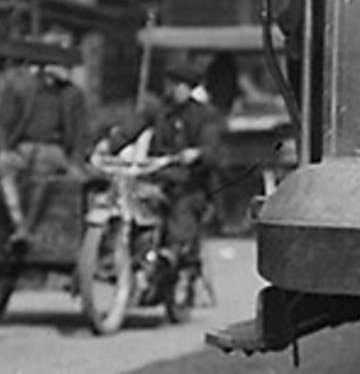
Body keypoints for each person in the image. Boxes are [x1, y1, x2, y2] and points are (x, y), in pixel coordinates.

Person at [95, 60, 222, 266]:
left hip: (189, 180)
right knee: (130, 195)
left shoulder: (205, 115)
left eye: (179, 86)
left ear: (189, 88)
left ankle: (172, 253)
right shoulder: (159, 110)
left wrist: (196, 153)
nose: (173, 90)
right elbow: (132, 128)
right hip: (156, 173)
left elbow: (211, 147)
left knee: (183, 210)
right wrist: (108, 145)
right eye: (171, 85)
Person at [0, 43, 88, 245]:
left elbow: (79, 133)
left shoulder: (72, 95)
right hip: (24, 148)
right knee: (3, 166)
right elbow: (9, 123)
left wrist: (76, 162)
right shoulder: (30, 91)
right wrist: (6, 148)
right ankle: (17, 222)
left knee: (42, 170)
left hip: (53, 149)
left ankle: (26, 229)